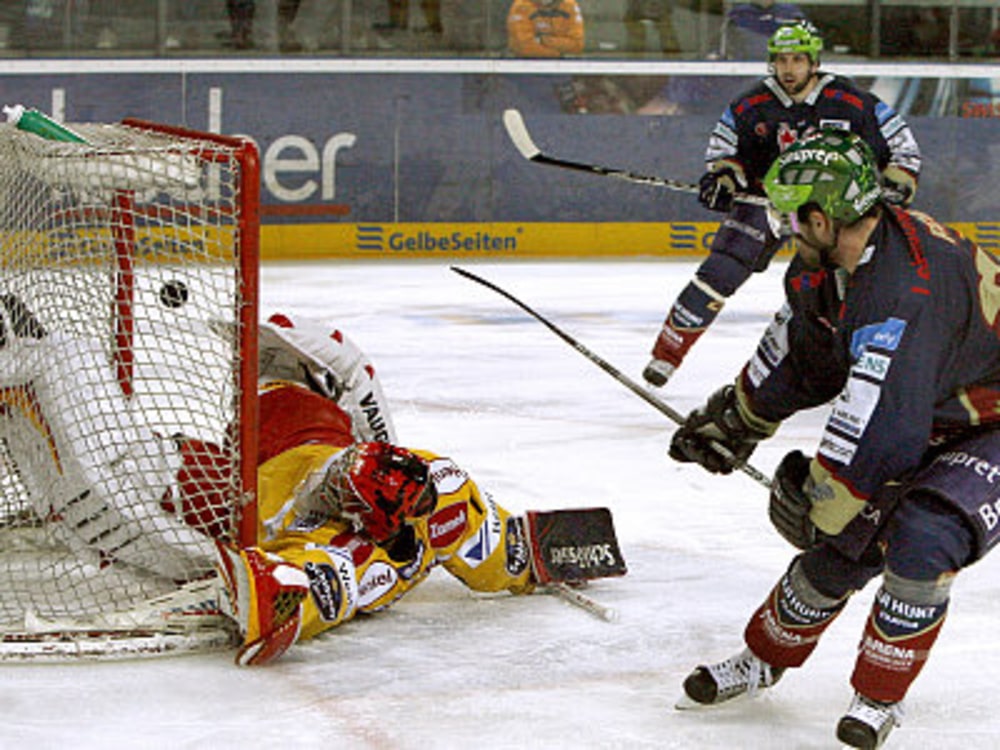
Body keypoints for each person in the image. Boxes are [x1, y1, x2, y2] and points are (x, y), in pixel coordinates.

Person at [0, 301, 621, 666]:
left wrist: (365, 471)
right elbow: (353, 458)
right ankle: (309, 581)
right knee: (415, 506)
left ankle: (301, 585)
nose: (259, 368)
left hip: (280, 492)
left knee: (415, 501)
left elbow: (356, 449)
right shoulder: (267, 418)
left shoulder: (300, 400)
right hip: (267, 494)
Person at [667, 128, 1000, 749]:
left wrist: (824, 501)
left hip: (990, 421)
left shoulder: (905, 292)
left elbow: (887, 425)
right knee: (841, 546)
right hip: (936, 402)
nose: (786, 230)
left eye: (793, 218)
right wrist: (735, 422)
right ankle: (762, 658)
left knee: (925, 530)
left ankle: (878, 696)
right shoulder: (828, 268)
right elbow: (805, 357)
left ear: (823, 218)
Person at [641, 21, 922, 390]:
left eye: (797, 60)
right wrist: (724, 180)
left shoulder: (851, 100)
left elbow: (903, 148)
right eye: (781, 60)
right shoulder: (752, 103)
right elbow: (724, 153)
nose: (789, 69)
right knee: (723, 267)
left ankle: (861, 366)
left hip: (832, 209)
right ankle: (667, 354)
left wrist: (898, 181)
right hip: (768, 199)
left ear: (814, 61)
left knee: (850, 282)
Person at [507, 0, 584, 58]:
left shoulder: (569, 5)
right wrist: (557, 53)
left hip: (561, 71)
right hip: (524, 69)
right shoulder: (521, 5)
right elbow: (524, 47)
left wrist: (543, 41)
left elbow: (577, 45)